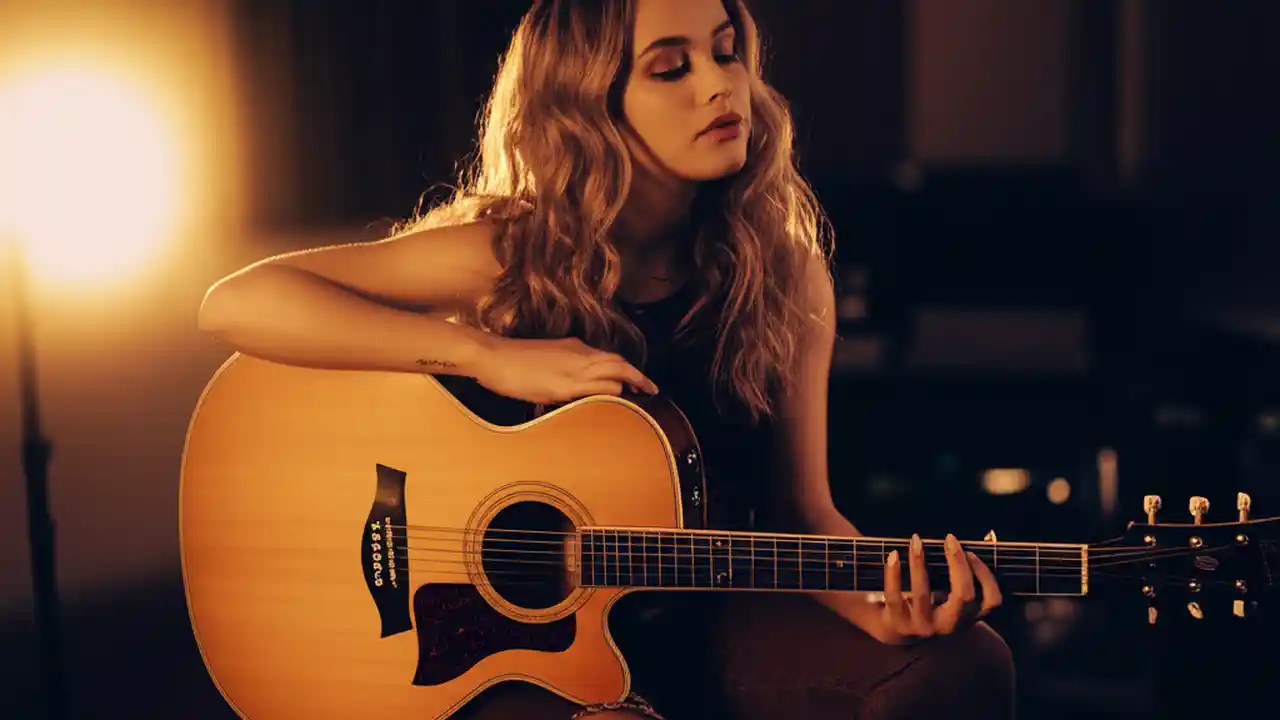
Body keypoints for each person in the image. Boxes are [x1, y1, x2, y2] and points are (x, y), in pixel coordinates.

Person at [197, 0, 1015, 717]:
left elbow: (802, 516)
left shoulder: (787, 274)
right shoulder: (514, 253)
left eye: (726, 50)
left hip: (709, 616)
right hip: (501, 645)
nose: (719, 84)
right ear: (589, 107)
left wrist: (882, 609)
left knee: (965, 665)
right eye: (670, 67)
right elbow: (237, 302)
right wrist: (485, 356)